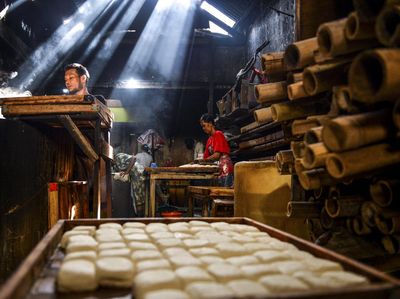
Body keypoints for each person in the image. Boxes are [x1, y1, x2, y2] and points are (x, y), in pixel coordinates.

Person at [199, 113, 234, 187]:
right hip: (218, 168)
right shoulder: (209, 140)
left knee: (225, 193)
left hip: (225, 167)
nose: (203, 128)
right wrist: (201, 161)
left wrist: (203, 161)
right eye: (202, 127)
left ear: (211, 123)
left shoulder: (218, 134)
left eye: (204, 125)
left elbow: (217, 155)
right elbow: (206, 157)